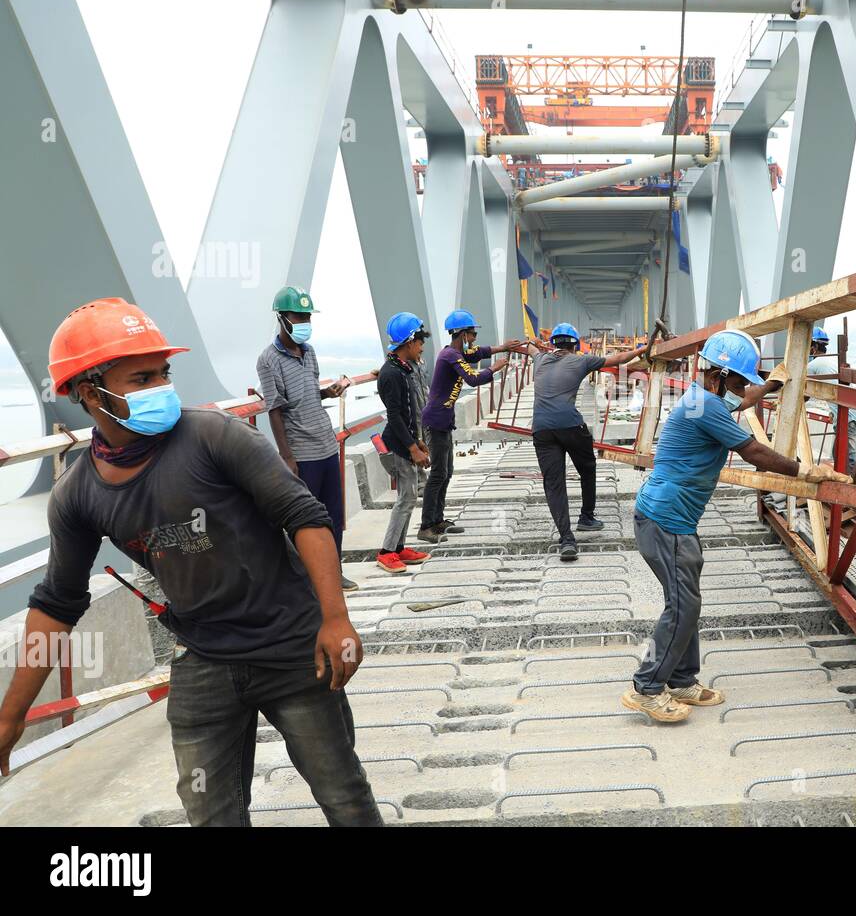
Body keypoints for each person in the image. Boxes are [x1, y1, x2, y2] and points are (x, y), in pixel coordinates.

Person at [0, 298, 381, 826]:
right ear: (90, 394)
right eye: (141, 377)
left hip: (292, 648)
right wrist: (11, 716)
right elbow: (56, 605)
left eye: (164, 372)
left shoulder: (214, 435)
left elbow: (305, 516)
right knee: (209, 809)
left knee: (343, 796)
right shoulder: (77, 495)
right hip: (204, 660)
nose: (162, 386)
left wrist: (335, 618)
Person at [621, 329, 851, 723]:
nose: (744, 388)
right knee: (683, 606)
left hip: (669, 518)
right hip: (666, 521)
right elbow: (755, 452)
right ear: (718, 376)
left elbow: (739, 402)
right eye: (740, 379)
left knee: (686, 602)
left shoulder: (700, 400)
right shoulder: (707, 407)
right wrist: (806, 471)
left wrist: (773, 383)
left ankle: (681, 679)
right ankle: (647, 687)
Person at [256, 285, 358, 591]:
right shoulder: (268, 360)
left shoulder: (310, 352)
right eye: (298, 317)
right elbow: (274, 409)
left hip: (326, 444)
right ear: (282, 318)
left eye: (307, 317)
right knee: (306, 521)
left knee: (333, 516)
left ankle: (334, 572)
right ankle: (308, 581)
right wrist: (287, 457)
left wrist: (328, 392)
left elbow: (308, 391)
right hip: (302, 453)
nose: (304, 323)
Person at [525, 322, 649, 561]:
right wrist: (640, 351)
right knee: (587, 467)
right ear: (574, 345)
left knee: (554, 484)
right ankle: (587, 517)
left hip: (541, 428)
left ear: (553, 345)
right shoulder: (581, 361)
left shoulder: (539, 360)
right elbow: (618, 359)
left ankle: (566, 540)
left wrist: (533, 345)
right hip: (570, 425)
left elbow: (530, 348)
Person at [417, 309, 522, 544]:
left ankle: (438, 520)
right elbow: (473, 379)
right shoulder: (450, 356)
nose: (474, 338)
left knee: (447, 472)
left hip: (444, 420)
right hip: (436, 421)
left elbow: (479, 353)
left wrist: (502, 347)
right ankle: (426, 526)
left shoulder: (458, 352)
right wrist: (495, 368)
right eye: (472, 333)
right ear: (462, 334)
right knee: (438, 474)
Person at [374, 312, 434, 574]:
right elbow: (395, 416)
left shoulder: (403, 369)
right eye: (420, 342)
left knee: (409, 497)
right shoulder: (391, 374)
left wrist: (419, 441)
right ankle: (387, 552)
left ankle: (399, 548)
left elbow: (410, 413)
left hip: (407, 442)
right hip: (397, 446)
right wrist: (412, 448)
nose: (421, 347)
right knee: (406, 498)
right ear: (409, 342)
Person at [808, 326, 856, 477]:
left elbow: (803, 393)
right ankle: (850, 488)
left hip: (847, 417)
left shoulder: (813, 365)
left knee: (848, 458)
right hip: (853, 413)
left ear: (813, 347)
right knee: (839, 454)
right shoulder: (830, 362)